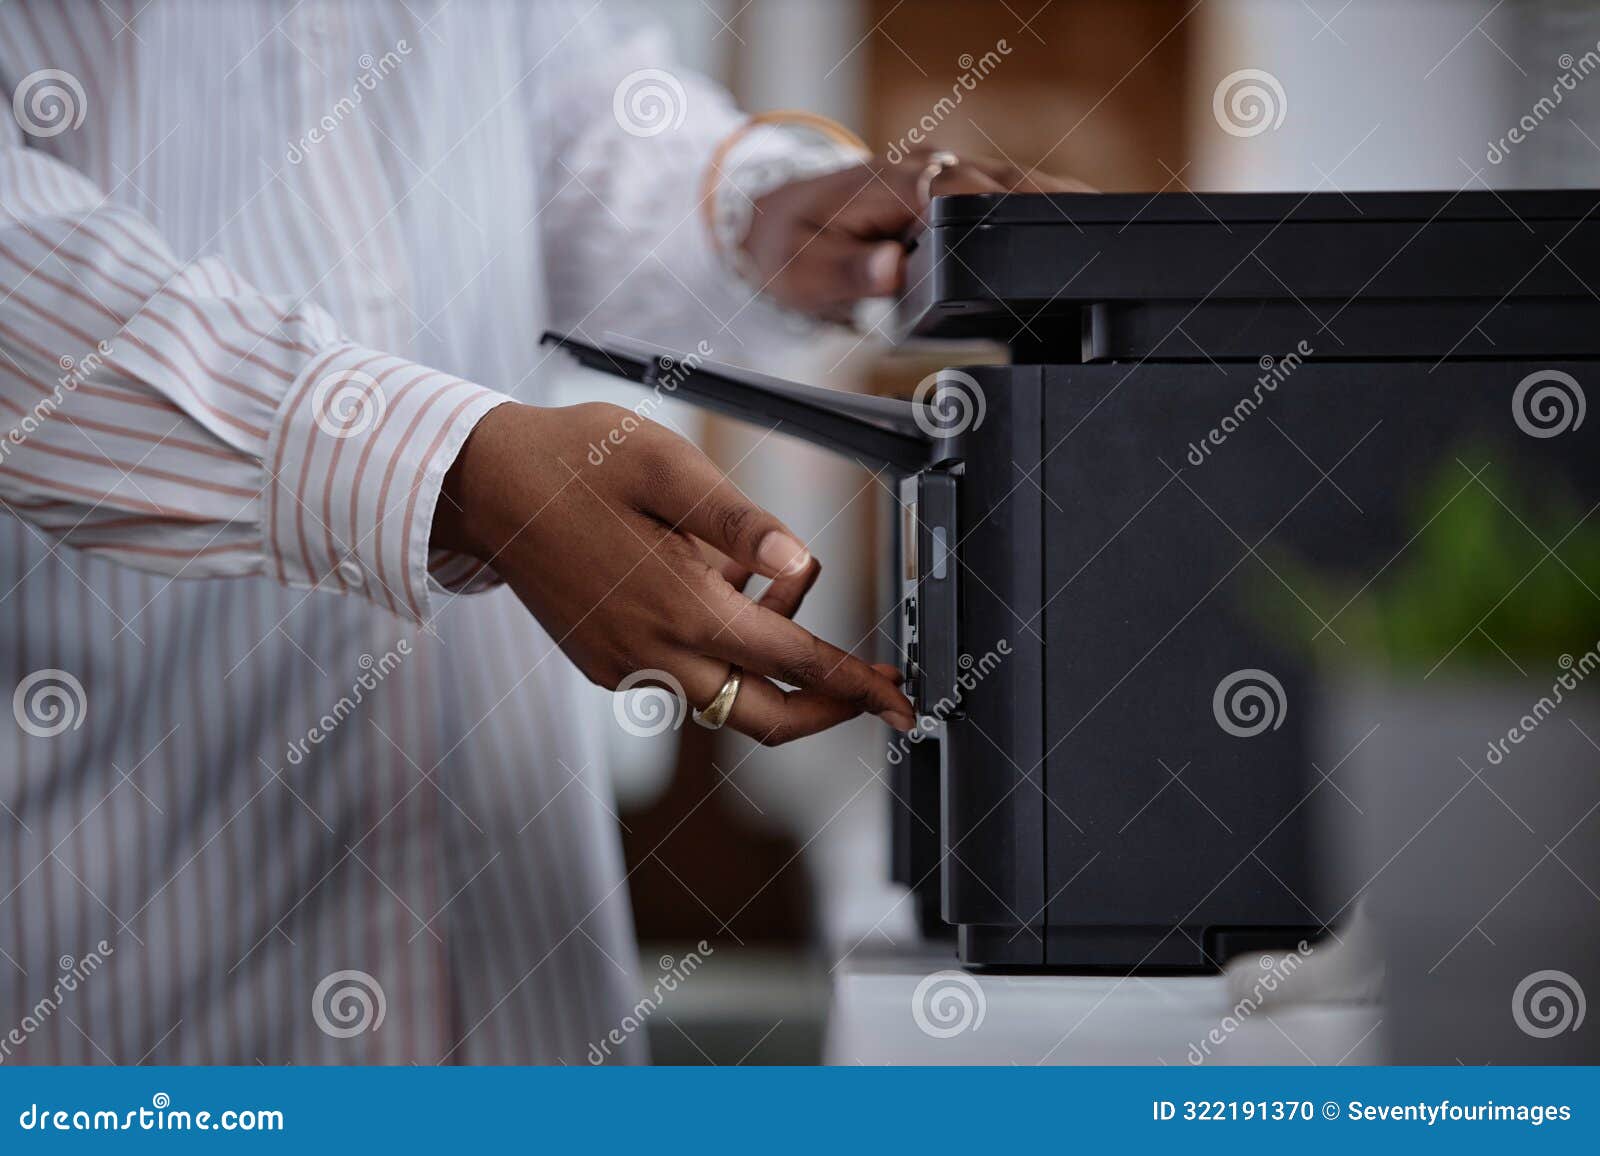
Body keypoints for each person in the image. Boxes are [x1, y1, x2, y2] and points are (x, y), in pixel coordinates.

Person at [0, 0, 1068, 1063]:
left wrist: (758, 214)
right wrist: (441, 468)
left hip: (512, 955)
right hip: (111, 919)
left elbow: (560, 111)